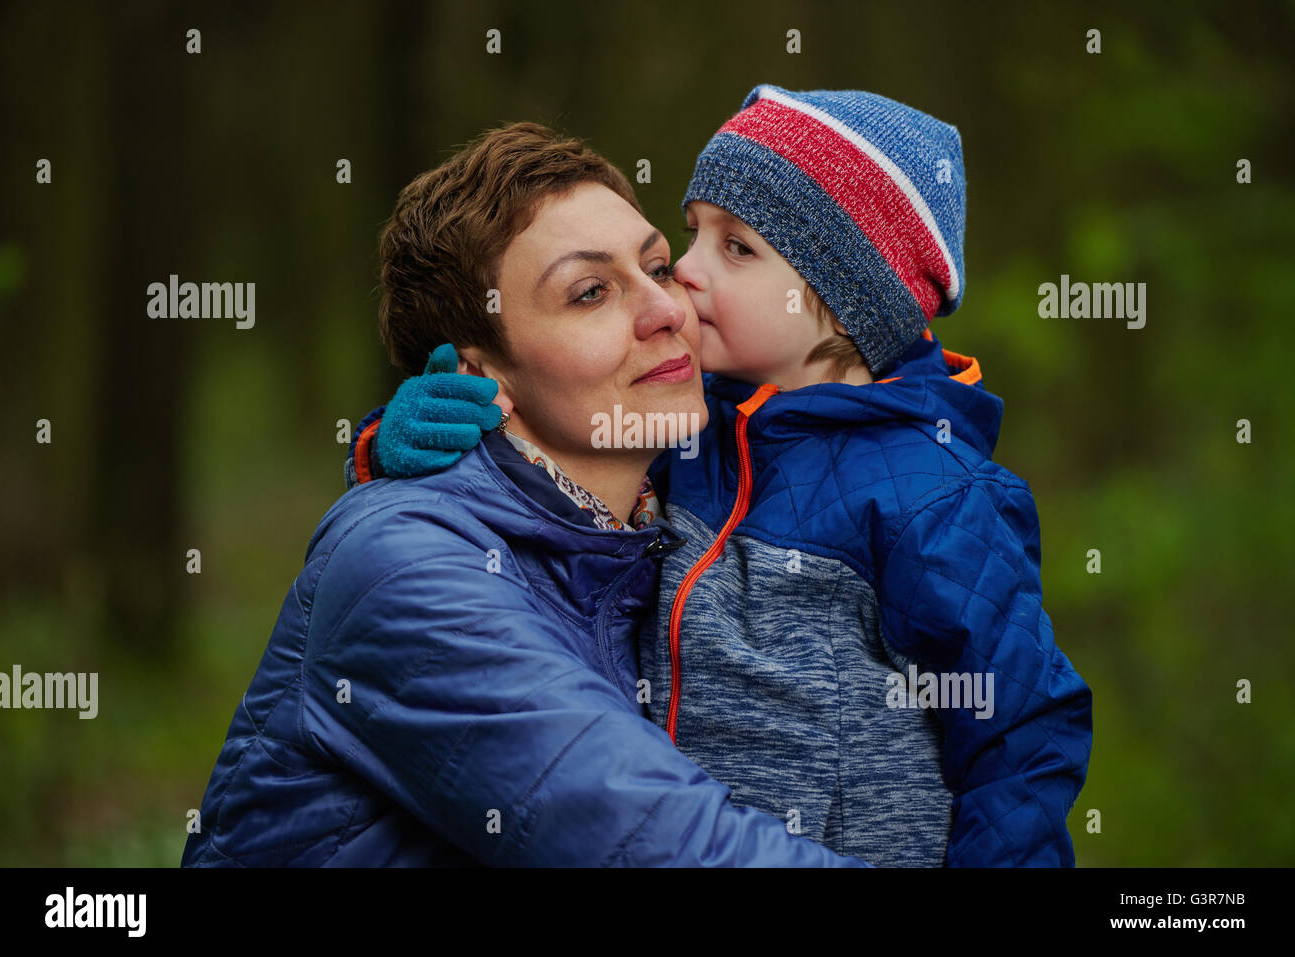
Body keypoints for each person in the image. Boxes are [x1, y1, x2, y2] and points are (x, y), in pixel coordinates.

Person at [353, 85, 1094, 866]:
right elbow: (538, 474)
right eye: (692, 236)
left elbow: (1022, 731)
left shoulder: (932, 492)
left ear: (846, 305)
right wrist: (394, 442)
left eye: (736, 248)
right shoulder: (689, 424)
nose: (686, 273)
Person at [182, 121, 870, 866]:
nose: (668, 310)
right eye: (590, 292)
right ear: (480, 376)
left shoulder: (681, 526)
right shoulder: (402, 567)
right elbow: (656, 844)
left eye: (659, 268)